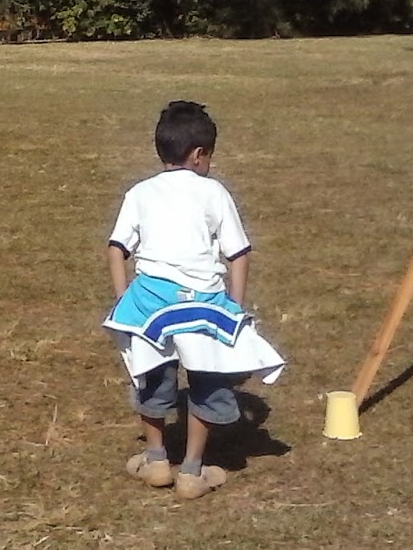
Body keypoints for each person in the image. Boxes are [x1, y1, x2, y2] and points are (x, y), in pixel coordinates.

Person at [102, 101, 286, 500]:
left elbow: (117, 248)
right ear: (199, 155)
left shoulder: (139, 192)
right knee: (206, 378)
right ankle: (191, 471)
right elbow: (239, 253)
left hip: (149, 304)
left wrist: (123, 300)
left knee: (150, 375)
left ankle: (155, 460)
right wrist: (233, 308)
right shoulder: (214, 192)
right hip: (202, 304)